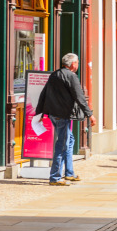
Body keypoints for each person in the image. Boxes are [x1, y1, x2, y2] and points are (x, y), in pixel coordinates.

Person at [36, 53, 93, 186]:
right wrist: (90, 114)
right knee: (62, 144)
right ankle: (55, 177)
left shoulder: (54, 74)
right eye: (77, 62)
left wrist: (39, 113)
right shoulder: (71, 77)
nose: (78, 65)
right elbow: (79, 97)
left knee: (69, 140)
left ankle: (69, 173)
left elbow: (43, 94)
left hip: (53, 114)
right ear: (73, 64)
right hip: (62, 115)